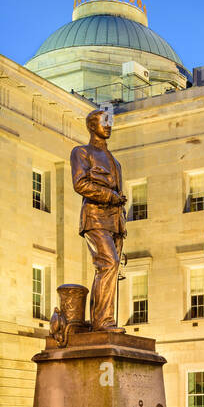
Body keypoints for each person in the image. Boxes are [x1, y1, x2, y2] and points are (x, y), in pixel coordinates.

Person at [69, 107, 126, 330]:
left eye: (110, 122)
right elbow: (80, 183)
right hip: (94, 217)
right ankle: (103, 322)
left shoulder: (116, 162)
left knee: (112, 268)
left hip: (115, 222)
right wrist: (110, 196)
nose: (109, 125)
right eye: (105, 121)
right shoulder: (81, 152)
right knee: (108, 263)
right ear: (92, 126)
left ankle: (105, 320)